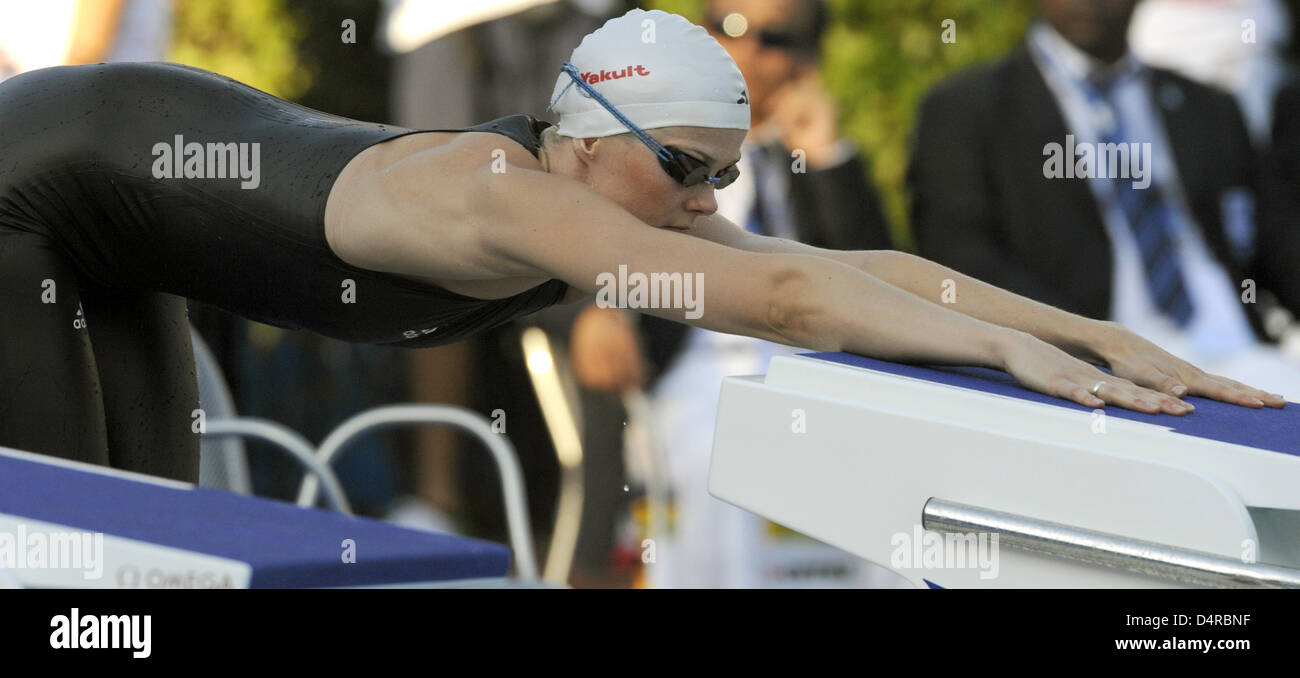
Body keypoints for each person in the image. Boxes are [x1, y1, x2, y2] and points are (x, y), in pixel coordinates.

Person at [0, 9, 1285, 483]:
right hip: (30, 180)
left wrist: (1086, 332)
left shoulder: (624, 189)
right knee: (70, 580)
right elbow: (781, 298)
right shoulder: (508, 193)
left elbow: (862, 274)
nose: (699, 204)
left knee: (156, 568)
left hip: (128, 209)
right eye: (684, 173)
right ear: (585, 130)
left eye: (723, 180)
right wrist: (1016, 354)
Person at [908, 0, 1300, 402]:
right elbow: (960, 263)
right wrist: (1085, 343)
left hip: (1247, 358)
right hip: (1093, 372)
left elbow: (1277, 242)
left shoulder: (1207, 107)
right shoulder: (968, 110)